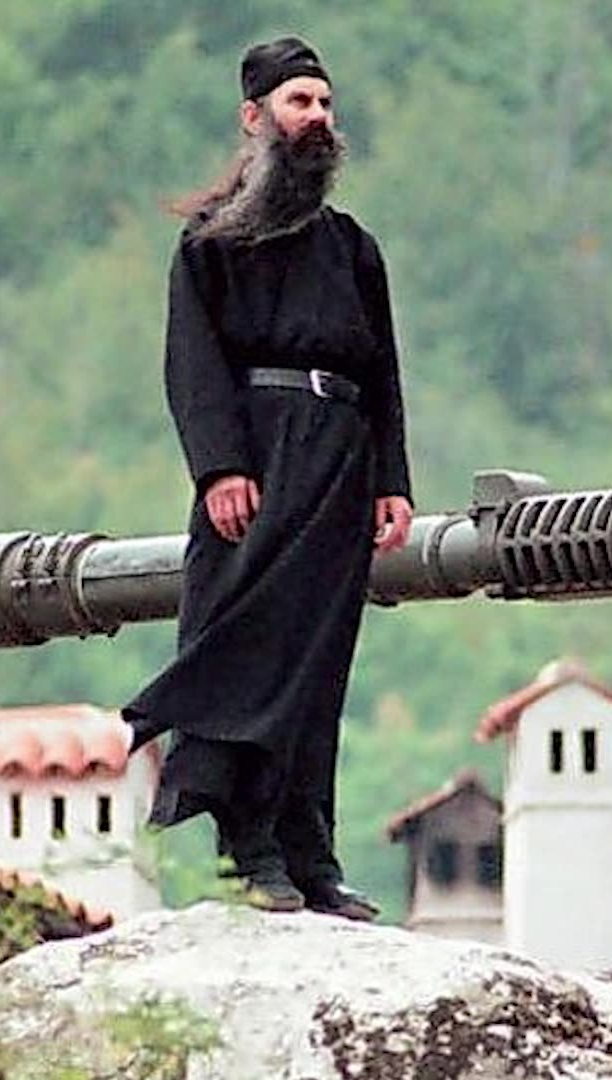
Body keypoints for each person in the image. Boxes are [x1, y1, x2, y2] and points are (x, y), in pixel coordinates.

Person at [122, 35, 415, 919]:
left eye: (325, 104)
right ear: (256, 119)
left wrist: (392, 482)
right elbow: (193, 365)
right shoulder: (210, 243)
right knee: (246, 652)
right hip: (257, 457)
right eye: (299, 104)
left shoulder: (353, 248)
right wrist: (220, 468)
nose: (317, 120)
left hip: (341, 458)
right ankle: (250, 855)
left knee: (318, 664)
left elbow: (386, 373)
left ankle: (310, 857)